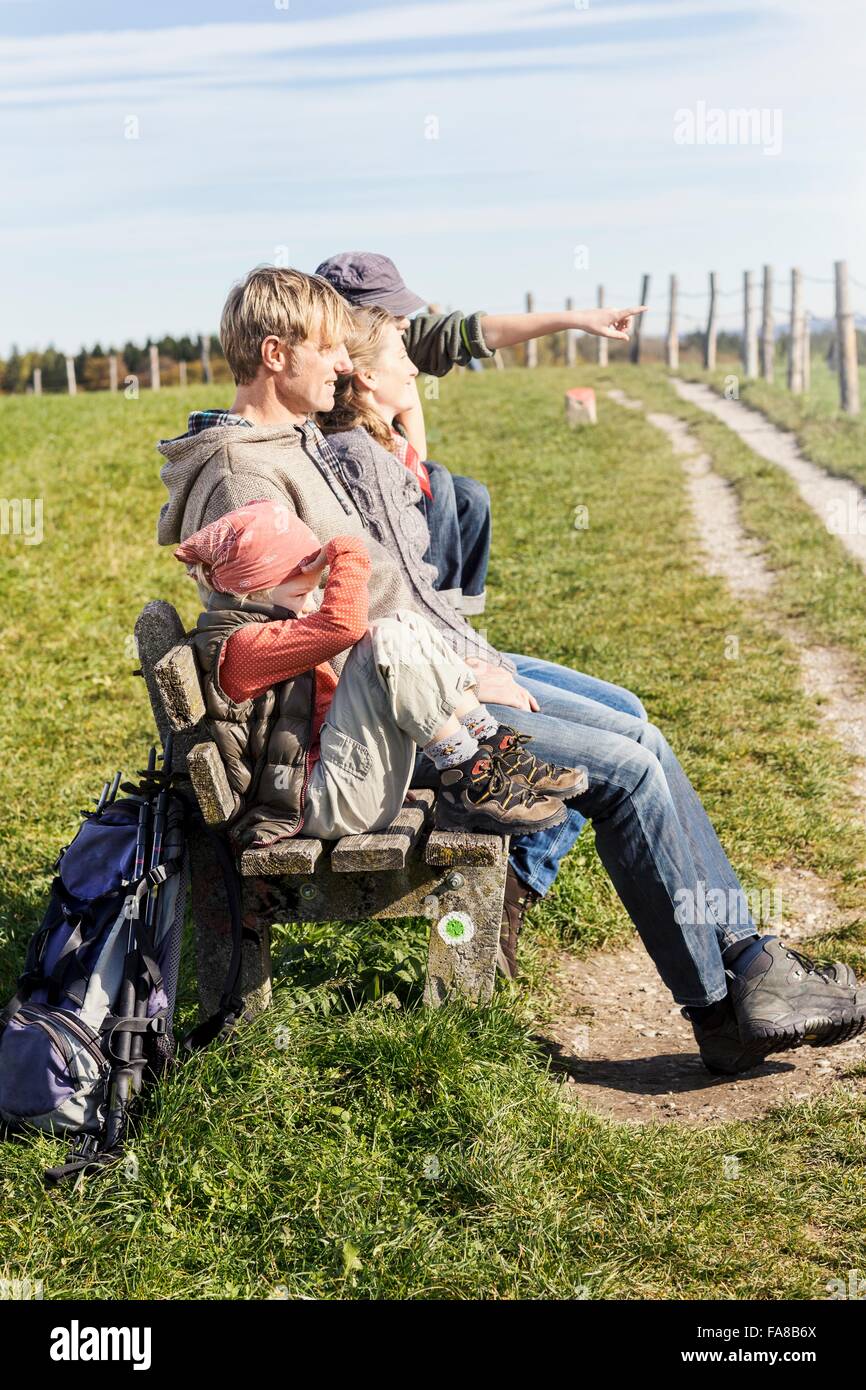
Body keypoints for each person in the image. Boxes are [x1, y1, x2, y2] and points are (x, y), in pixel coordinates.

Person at [157, 266, 866, 1077]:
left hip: (405, 688)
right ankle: (723, 1006)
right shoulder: (244, 473)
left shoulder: (285, 440)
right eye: (325, 351)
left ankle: (750, 965)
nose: (343, 366)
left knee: (641, 737)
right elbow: (303, 636)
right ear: (275, 354)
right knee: (629, 772)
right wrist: (458, 671)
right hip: (381, 726)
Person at [173, 499, 572, 844]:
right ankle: (468, 778)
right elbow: (344, 624)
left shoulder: (257, 631)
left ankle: (492, 747)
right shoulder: (243, 647)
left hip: (337, 785)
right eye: (300, 593)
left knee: (404, 624)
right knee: (381, 636)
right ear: (251, 591)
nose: (311, 604)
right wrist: (347, 552)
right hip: (318, 804)